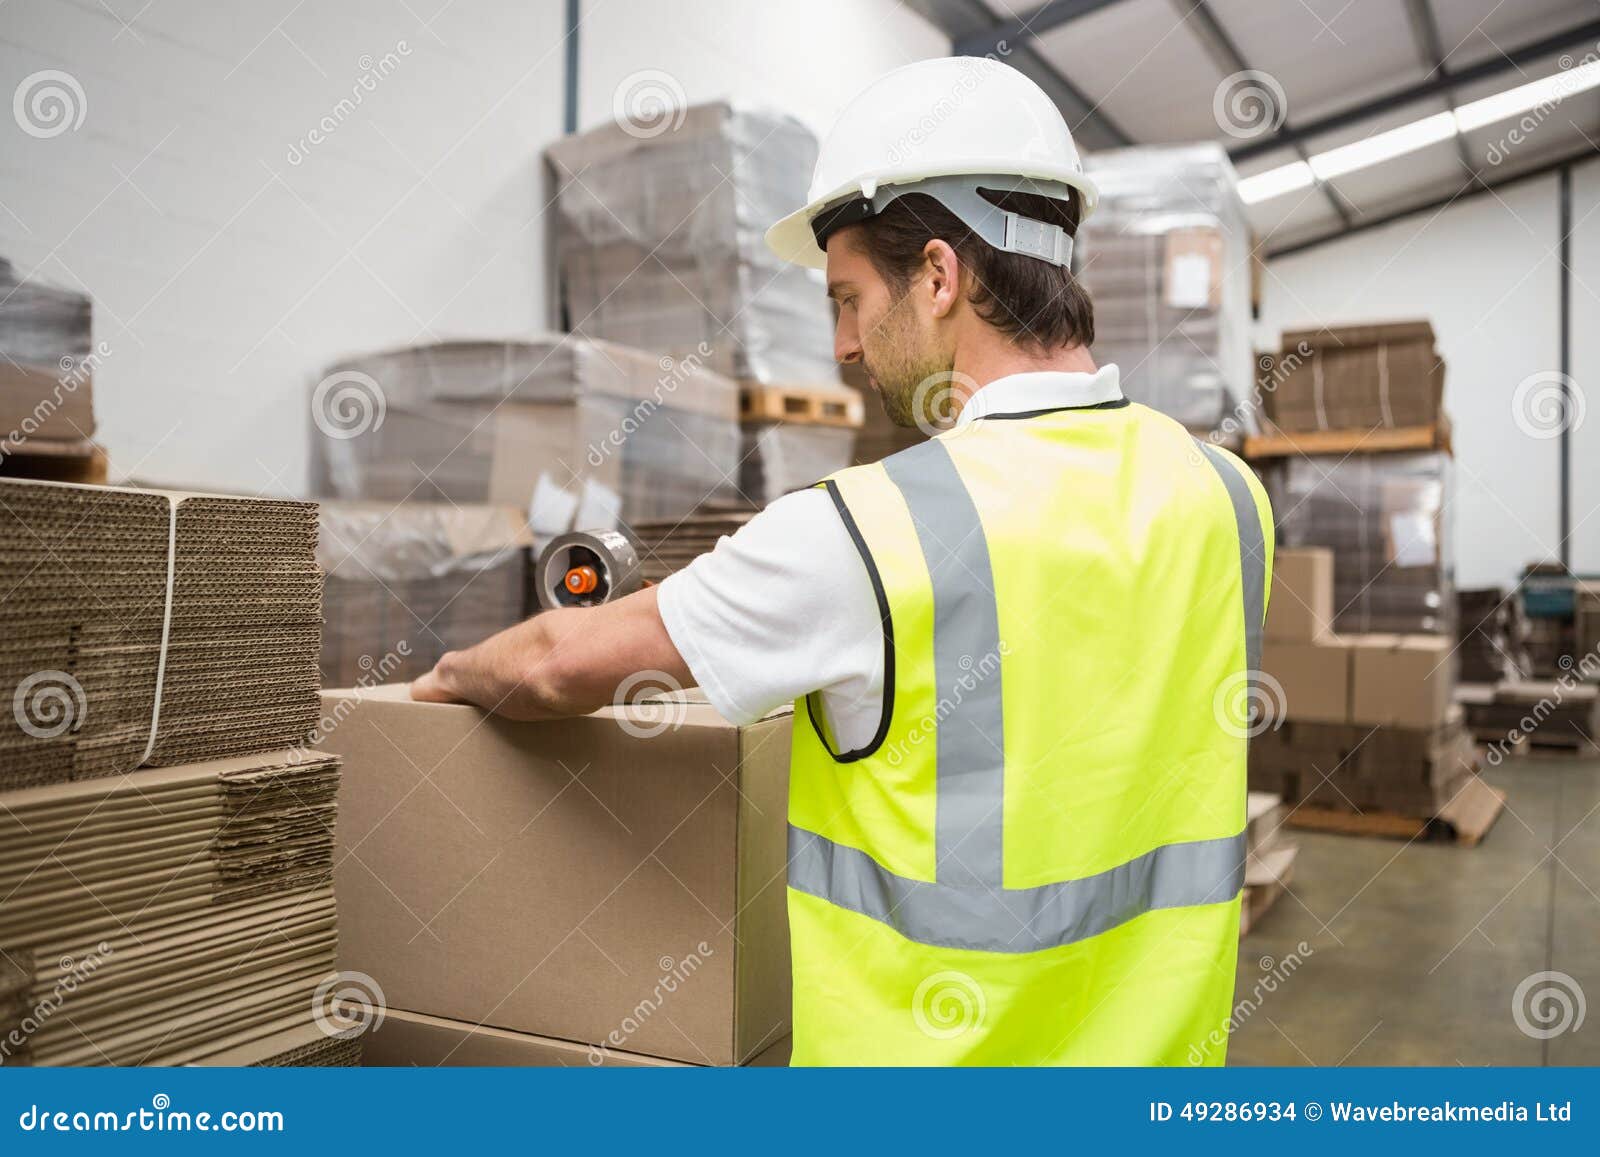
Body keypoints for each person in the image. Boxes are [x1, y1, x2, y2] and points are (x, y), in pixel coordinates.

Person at [412, 56, 1273, 1065]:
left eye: (848, 299)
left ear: (940, 276)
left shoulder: (872, 529)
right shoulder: (1225, 496)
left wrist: (443, 675)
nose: (844, 348)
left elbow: (561, 663)